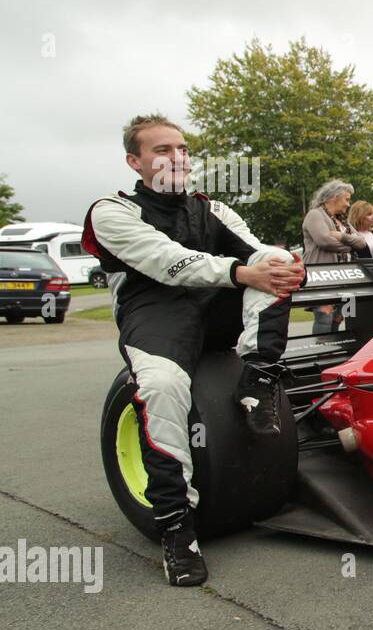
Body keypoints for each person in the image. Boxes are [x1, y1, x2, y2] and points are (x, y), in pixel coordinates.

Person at [83, 114, 304, 587]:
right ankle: (177, 530)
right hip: (154, 314)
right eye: (162, 150)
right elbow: (166, 262)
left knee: (279, 260)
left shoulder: (213, 209)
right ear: (135, 161)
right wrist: (243, 273)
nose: (176, 157)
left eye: (182, 149)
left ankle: (258, 381)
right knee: (162, 388)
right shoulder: (110, 211)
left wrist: (284, 268)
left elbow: (256, 253)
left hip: (211, 309)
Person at [302, 179, 366, 332]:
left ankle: (333, 352)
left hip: (344, 280)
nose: (348, 204)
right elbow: (324, 241)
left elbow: (362, 243)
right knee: (324, 319)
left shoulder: (343, 221)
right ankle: (320, 352)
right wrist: (350, 247)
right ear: (333, 197)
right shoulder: (315, 215)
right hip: (322, 279)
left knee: (338, 318)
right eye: (346, 199)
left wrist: (342, 237)